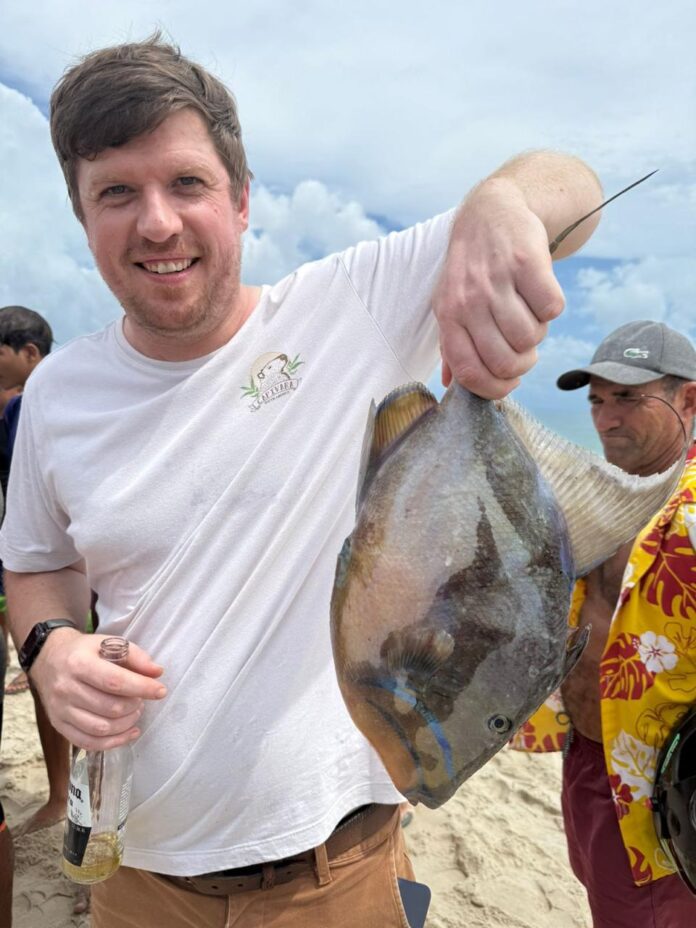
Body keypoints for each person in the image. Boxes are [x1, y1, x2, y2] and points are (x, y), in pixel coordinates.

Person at [0, 35, 603, 928]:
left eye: (188, 184)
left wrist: (502, 202)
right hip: (133, 872)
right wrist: (49, 642)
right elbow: (37, 562)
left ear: (242, 202)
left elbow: (576, 189)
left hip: (333, 874)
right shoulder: (57, 392)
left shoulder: (347, 308)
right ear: (84, 218)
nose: (157, 222)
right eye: (116, 193)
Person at [512, 320, 696, 927]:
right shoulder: (599, 496)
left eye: (628, 397)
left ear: (688, 400)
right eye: (596, 400)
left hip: (664, 794)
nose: (606, 418)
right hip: (589, 761)